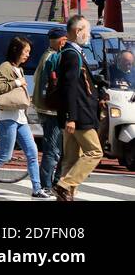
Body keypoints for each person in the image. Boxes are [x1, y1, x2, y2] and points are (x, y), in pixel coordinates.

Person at [0, 36, 50, 198]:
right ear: (16, 50)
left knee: (32, 152)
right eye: (25, 51)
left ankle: (37, 189)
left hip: (20, 118)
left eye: (29, 51)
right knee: (4, 155)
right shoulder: (5, 66)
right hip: (7, 117)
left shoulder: (18, 68)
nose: (28, 54)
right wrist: (17, 83)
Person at [55, 15, 104, 201]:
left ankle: (65, 197)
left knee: (71, 159)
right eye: (87, 31)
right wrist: (72, 117)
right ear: (77, 31)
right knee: (95, 152)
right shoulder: (71, 55)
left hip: (75, 113)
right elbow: (70, 87)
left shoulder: (72, 52)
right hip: (79, 115)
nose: (89, 35)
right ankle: (64, 186)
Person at [32, 27, 68, 191]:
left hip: (44, 106)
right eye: (65, 40)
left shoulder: (45, 55)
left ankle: (52, 181)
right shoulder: (54, 57)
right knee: (52, 150)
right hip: (51, 109)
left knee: (56, 148)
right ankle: (46, 185)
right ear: (61, 41)